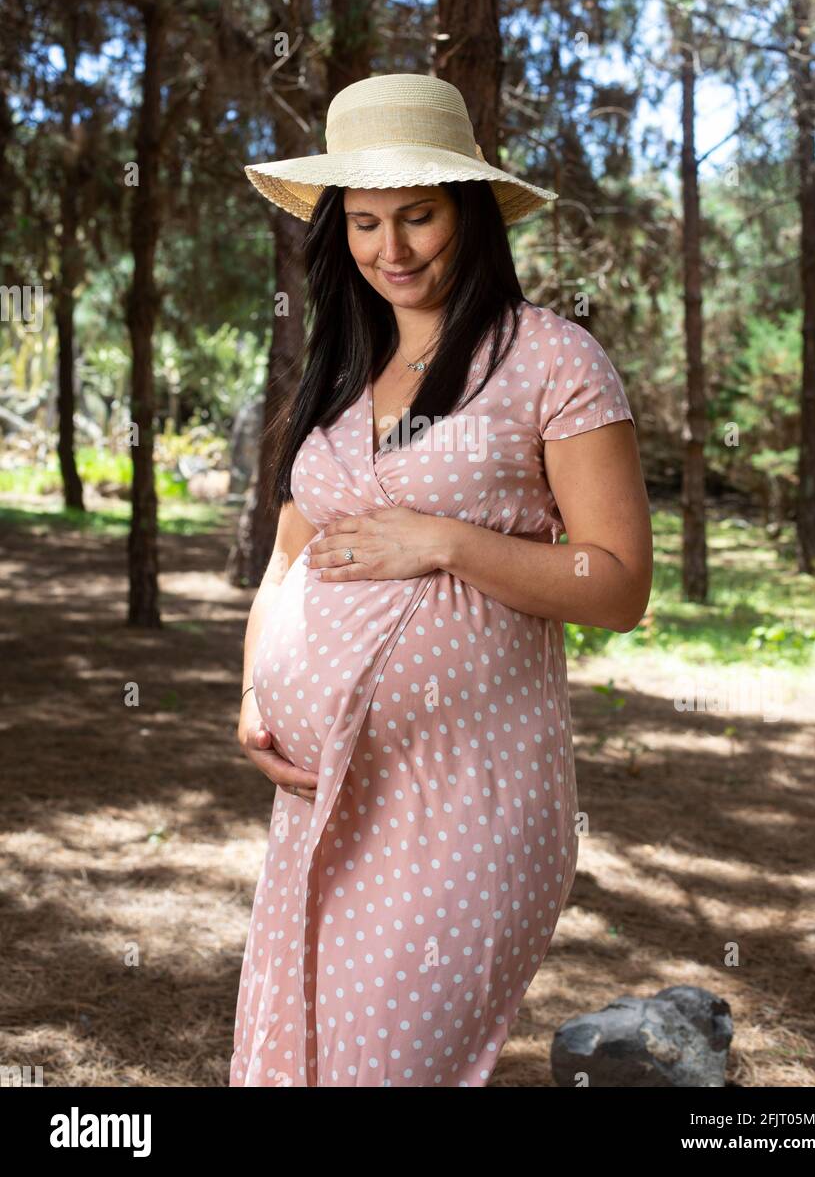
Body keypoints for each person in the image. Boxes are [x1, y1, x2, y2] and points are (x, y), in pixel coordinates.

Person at [230, 72, 652, 1087]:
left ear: (470, 211)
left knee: (391, 1063)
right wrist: (254, 690)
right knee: (299, 1055)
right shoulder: (341, 367)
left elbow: (618, 584)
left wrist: (444, 541)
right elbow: (290, 554)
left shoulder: (551, 358)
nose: (392, 249)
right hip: (323, 795)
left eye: (417, 216)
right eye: (365, 222)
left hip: (467, 803)